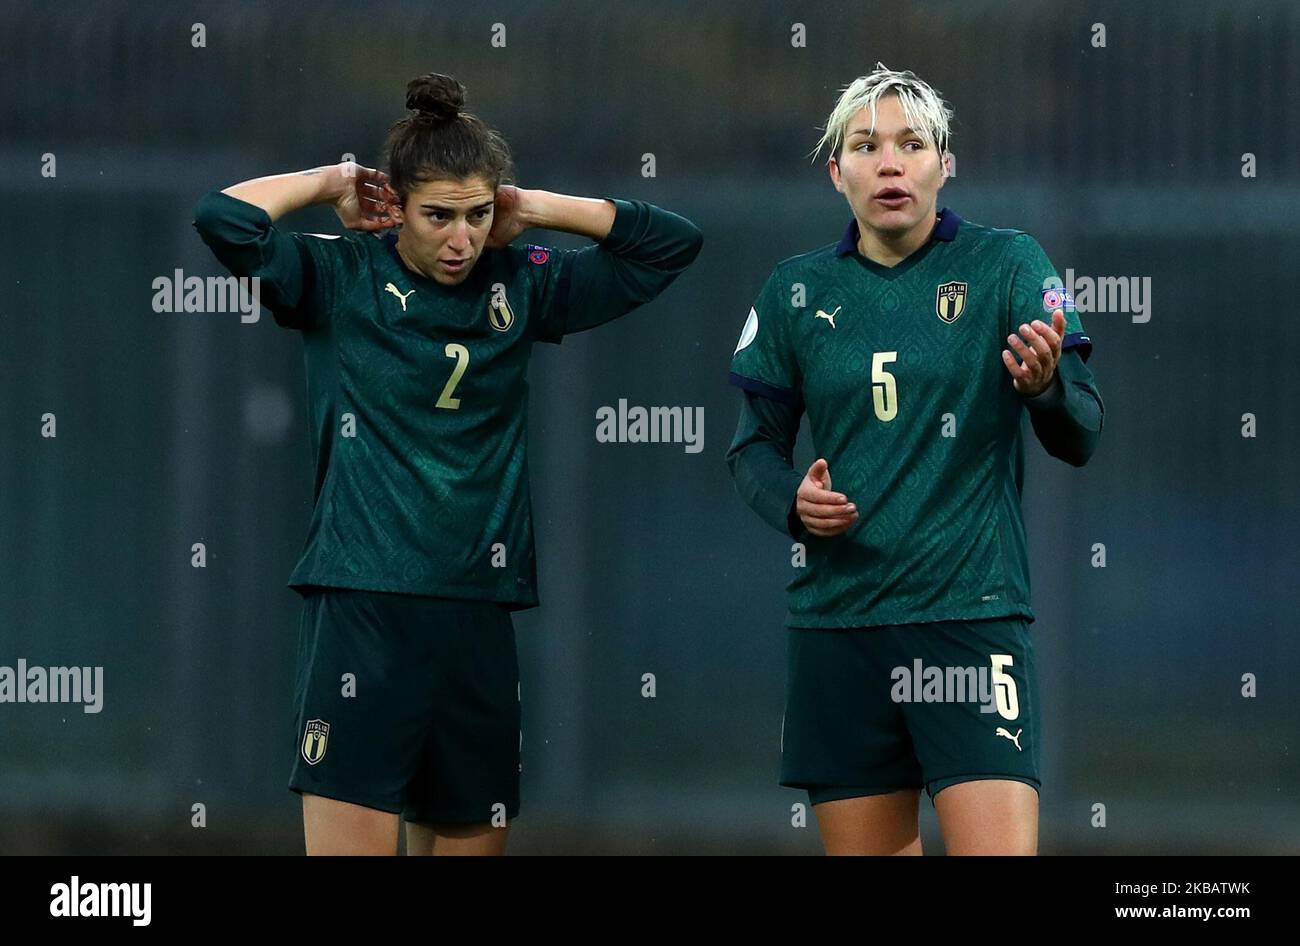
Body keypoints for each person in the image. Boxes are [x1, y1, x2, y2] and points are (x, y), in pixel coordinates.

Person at [193, 73, 703, 855]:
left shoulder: (522, 280)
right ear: (394, 205)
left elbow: (671, 245)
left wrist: (533, 208)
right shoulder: (341, 276)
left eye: (476, 215)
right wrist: (332, 182)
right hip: (364, 604)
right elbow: (223, 219)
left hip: (477, 610)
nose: (462, 239)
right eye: (438, 216)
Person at [725, 64, 1103, 855]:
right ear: (837, 172)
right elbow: (750, 450)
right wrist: (795, 500)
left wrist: (1043, 390)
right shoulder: (795, 291)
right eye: (865, 146)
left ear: (945, 163)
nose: (889, 163)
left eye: (911, 144)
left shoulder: (1010, 265)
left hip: (971, 620)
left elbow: (1083, 429)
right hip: (841, 630)